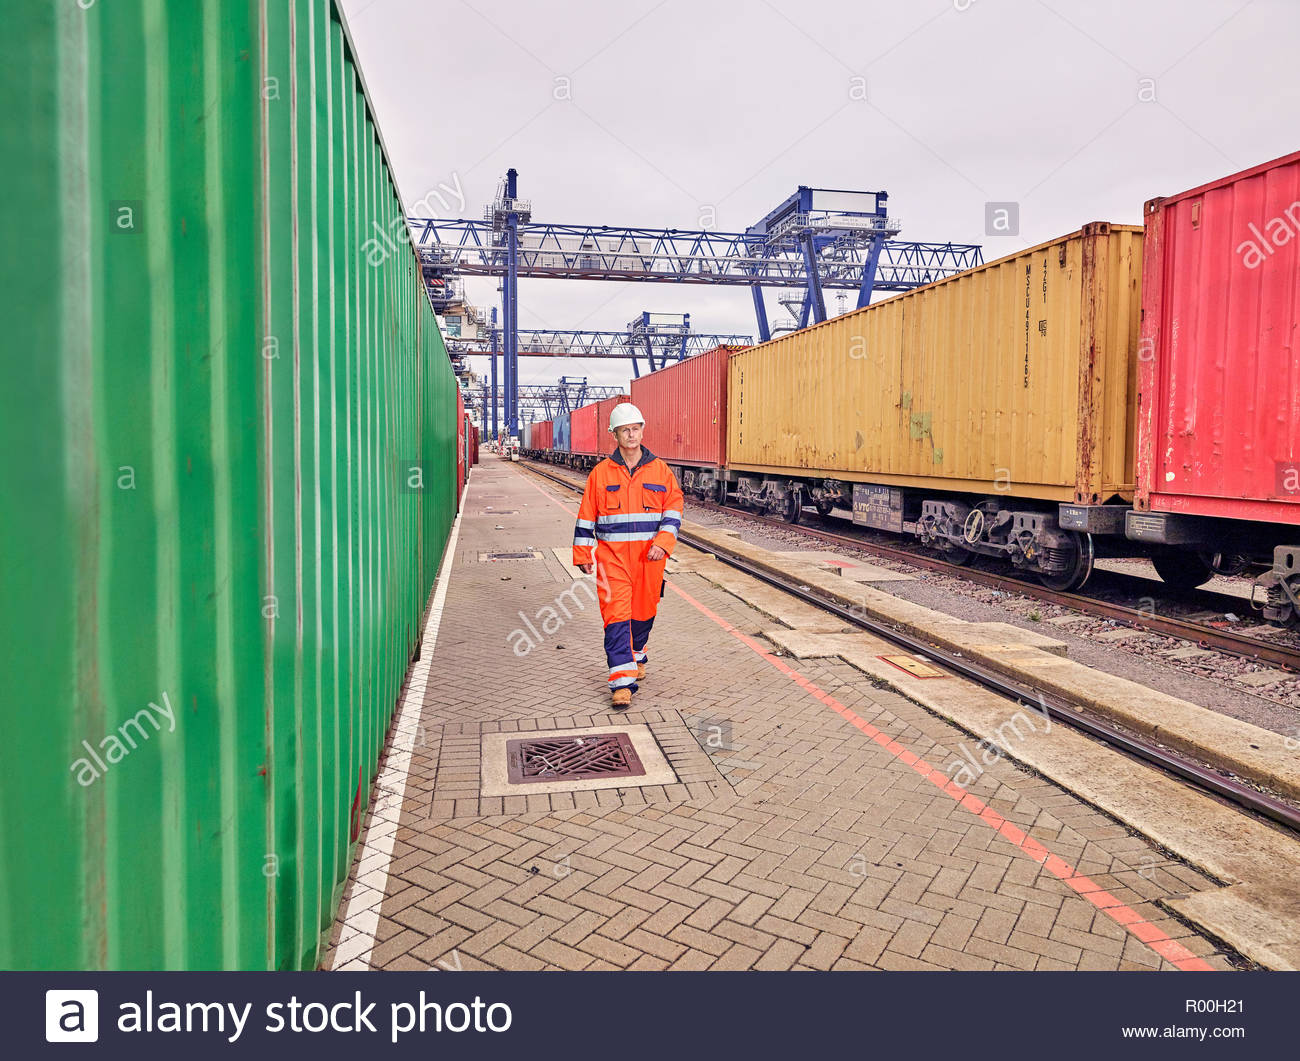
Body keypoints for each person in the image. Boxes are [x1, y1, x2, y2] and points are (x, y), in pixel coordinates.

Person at [572, 403, 684, 708]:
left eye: (635, 428)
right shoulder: (600, 474)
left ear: (642, 430)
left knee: (644, 613)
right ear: (615, 435)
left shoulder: (661, 471)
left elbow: (673, 511)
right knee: (616, 616)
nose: (631, 434)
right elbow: (586, 516)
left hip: (651, 559)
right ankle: (622, 682)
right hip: (613, 561)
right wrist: (582, 553)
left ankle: (637, 654)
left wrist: (664, 542)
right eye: (625, 430)